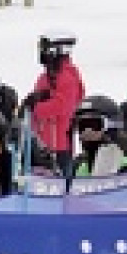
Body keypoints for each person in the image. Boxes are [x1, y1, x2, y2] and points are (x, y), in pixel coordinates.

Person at [24, 31, 84, 169]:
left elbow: (62, 107)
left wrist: (36, 108)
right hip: (43, 141)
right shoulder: (46, 76)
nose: (41, 52)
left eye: (44, 48)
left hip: (59, 144)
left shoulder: (66, 78)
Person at [69, 95, 127, 178]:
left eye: (94, 125)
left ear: (111, 127)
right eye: (82, 126)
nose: (87, 131)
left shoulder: (124, 167)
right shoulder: (78, 166)